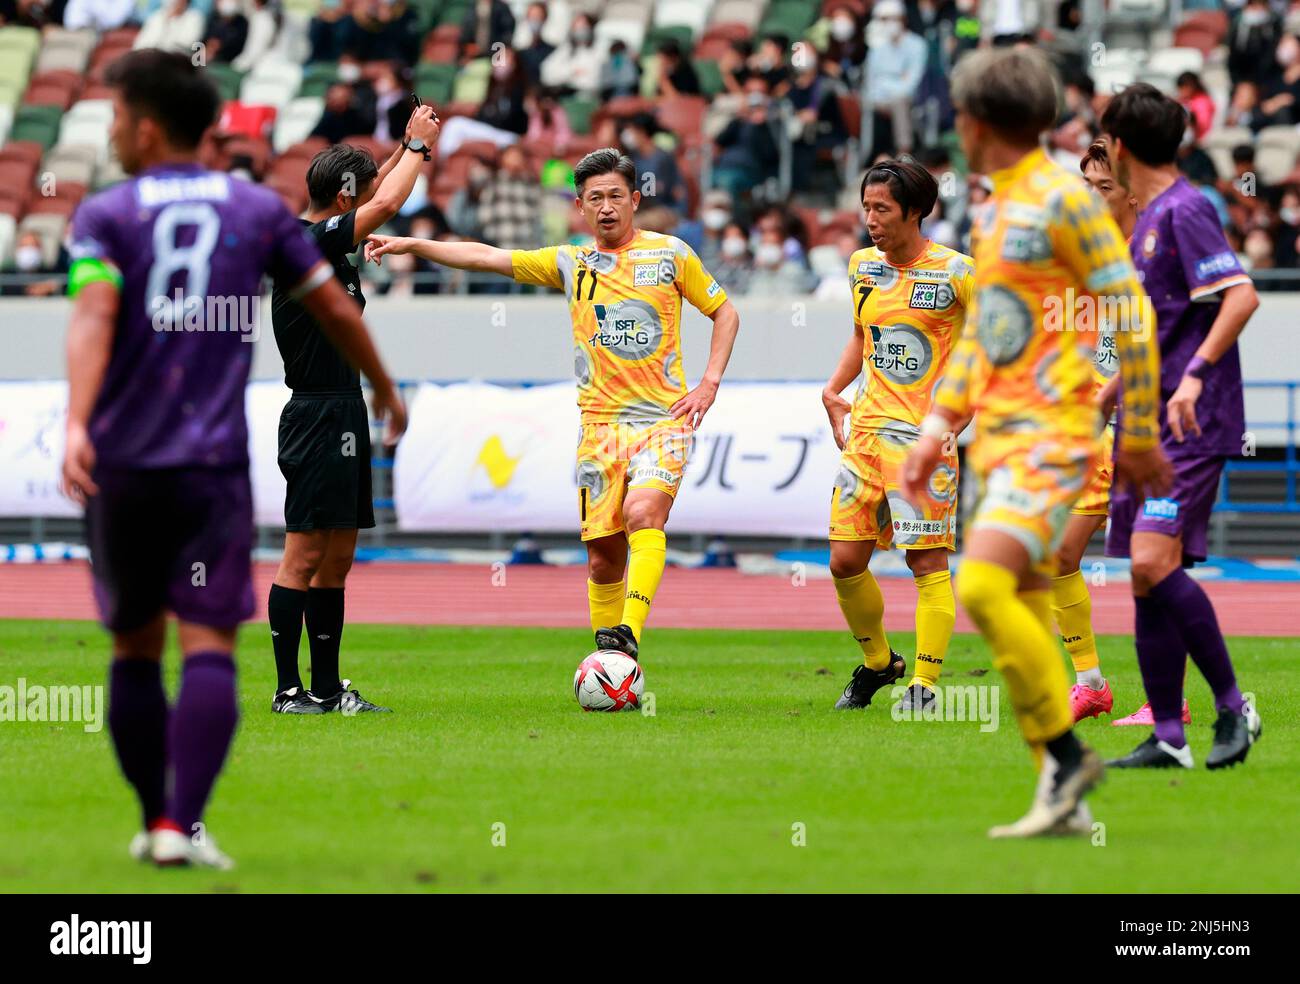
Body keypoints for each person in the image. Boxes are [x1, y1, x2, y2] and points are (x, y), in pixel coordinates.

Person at [60, 49, 405, 869]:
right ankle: (186, 824)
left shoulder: (105, 216)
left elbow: (90, 319)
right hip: (210, 463)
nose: (110, 130)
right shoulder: (254, 212)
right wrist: (388, 391)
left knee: (135, 649)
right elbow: (335, 306)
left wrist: (77, 420)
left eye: (113, 118)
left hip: (123, 459)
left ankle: (154, 823)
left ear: (145, 127)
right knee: (210, 643)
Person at [902, 47, 1168, 837]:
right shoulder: (994, 208)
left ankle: (1062, 753)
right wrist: (938, 425)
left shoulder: (1063, 200)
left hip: (1057, 436)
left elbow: (1134, 314)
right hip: (1000, 438)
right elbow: (989, 335)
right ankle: (1061, 797)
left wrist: (1143, 432)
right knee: (1018, 607)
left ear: (975, 123)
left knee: (982, 587)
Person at [365, 149, 741, 661]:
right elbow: (487, 257)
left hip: (663, 420)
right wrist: (413, 243)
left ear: (633, 200)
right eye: (594, 199)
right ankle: (614, 665)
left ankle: (629, 630)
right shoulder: (570, 263)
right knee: (603, 560)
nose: (606, 207)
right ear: (580, 208)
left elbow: (725, 313)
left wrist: (709, 384)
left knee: (644, 511)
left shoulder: (671, 255)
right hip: (599, 429)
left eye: (615, 196)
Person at [1099, 84, 1264, 770]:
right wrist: (1108, 394)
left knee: (1149, 562)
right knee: (1144, 575)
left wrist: (1194, 374)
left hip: (1189, 419)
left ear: (1122, 145)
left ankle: (1234, 707)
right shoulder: (1148, 221)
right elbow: (1157, 328)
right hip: (1143, 417)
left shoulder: (1186, 208)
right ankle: (1169, 735)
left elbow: (1241, 295)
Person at [266, 105, 439, 715]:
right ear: (345, 199)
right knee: (303, 554)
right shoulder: (304, 242)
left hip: (343, 413)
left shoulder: (327, 234)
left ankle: (329, 689)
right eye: (360, 194)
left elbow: (374, 194)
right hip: (315, 415)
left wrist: (400, 149)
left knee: (337, 558)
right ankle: (289, 692)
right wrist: (417, 149)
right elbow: (385, 205)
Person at [822, 159, 973, 713]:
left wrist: (953, 425)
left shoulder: (958, 274)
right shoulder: (863, 267)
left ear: (915, 211)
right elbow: (863, 336)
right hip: (863, 436)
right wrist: (833, 389)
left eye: (881, 209)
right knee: (844, 561)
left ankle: (925, 686)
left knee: (925, 563)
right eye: (866, 208)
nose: (870, 220)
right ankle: (881, 664)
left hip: (921, 443)